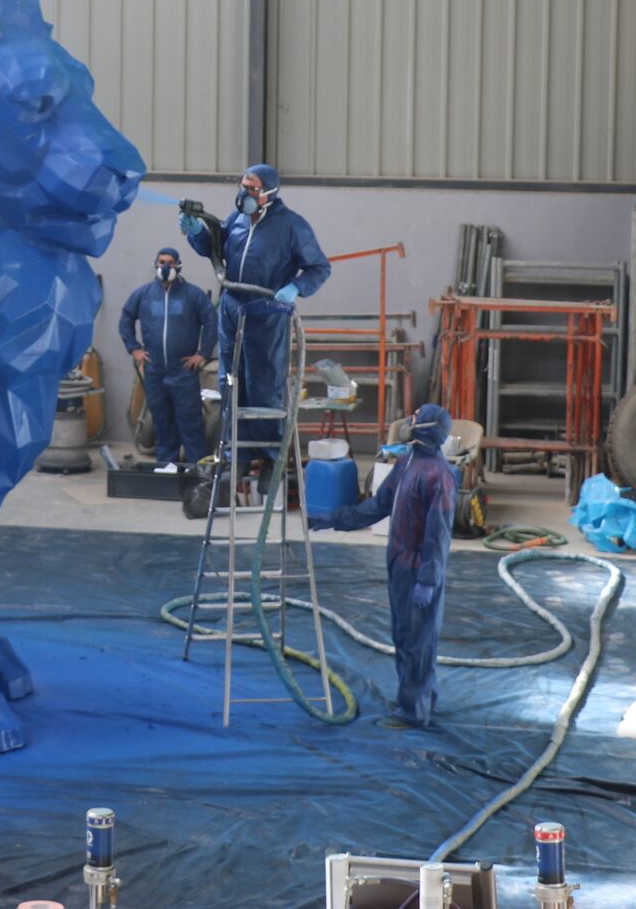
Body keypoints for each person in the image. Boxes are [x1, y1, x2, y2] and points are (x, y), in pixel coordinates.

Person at [309, 404, 456, 730]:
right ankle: (416, 698)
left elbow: (438, 535)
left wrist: (428, 579)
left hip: (419, 571)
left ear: (426, 428)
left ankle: (414, 712)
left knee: (419, 640)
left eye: (415, 417)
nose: (408, 421)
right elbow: (377, 507)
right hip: (400, 566)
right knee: (405, 636)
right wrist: (334, 520)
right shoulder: (406, 465)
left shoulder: (438, 477)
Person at [178, 163, 331, 468]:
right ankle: (239, 455)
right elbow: (216, 250)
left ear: (269, 193)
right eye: (243, 185)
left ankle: (270, 458)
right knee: (230, 383)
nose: (244, 193)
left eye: (252, 189)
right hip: (233, 309)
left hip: (267, 313)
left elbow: (319, 267)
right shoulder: (236, 219)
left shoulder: (291, 226)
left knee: (264, 387)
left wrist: (295, 288)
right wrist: (197, 233)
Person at [117, 248, 216, 474]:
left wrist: (202, 354)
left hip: (183, 370)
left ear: (178, 266)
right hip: (155, 370)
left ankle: (197, 470)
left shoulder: (192, 295)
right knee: (162, 421)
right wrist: (134, 349)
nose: (165, 267)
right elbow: (126, 320)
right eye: (162, 262)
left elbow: (211, 321)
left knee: (190, 421)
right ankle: (167, 466)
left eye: (170, 262)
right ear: (155, 264)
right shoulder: (143, 295)